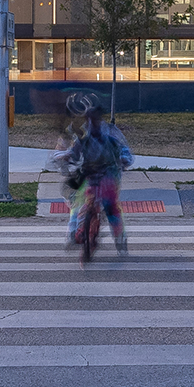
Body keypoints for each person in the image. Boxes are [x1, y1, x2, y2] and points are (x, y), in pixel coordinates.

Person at [51, 92, 134, 263]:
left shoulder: (111, 131)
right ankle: (73, 232)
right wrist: (64, 157)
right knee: (78, 200)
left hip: (109, 173)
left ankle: (120, 240)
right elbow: (69, 150)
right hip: (87, 173)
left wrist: (124, 159)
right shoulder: (79, 133)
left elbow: (124, 148)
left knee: (111, 206)